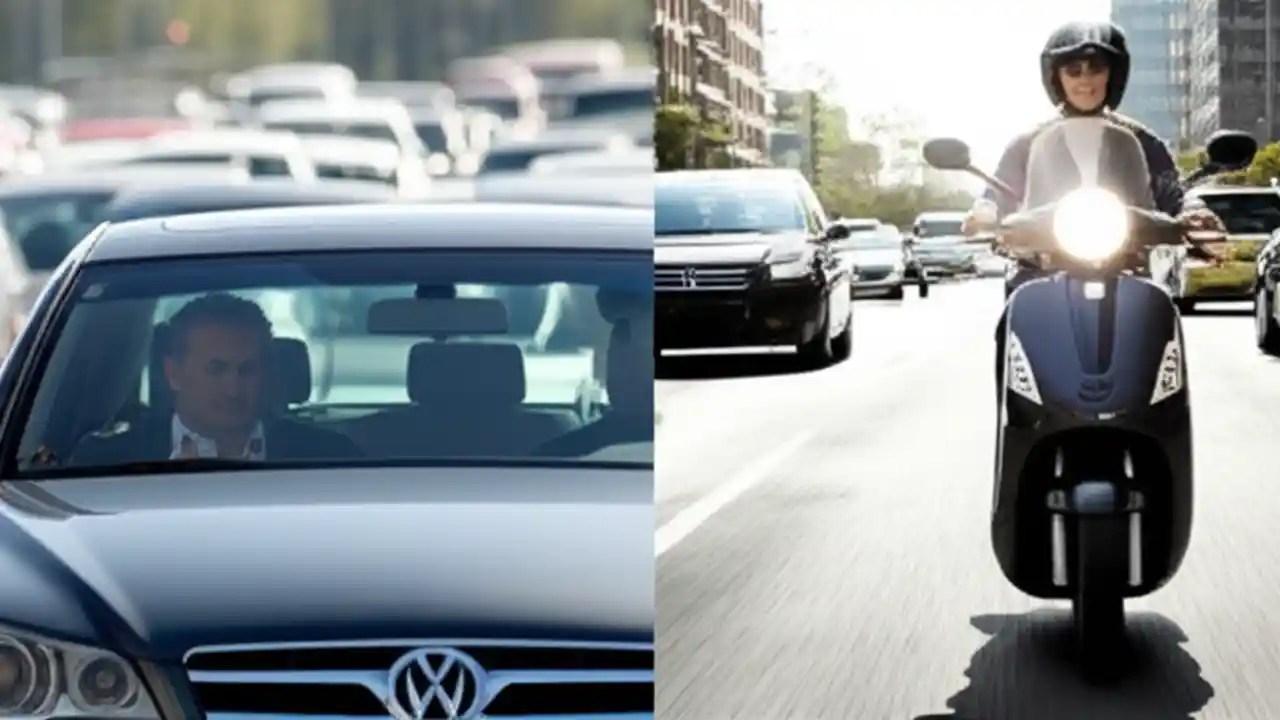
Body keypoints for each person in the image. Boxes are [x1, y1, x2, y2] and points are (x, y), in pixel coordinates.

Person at [969, 21, 1224, 392]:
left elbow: (1173, 190)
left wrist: (1195, 213)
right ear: (1056, 76)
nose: (1085, 80)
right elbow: (999, 193)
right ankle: (1019, 426)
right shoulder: (1029, 141)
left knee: (1161, 328)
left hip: (1128, 268)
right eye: (1073, 69)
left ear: (1113, 74)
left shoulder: (1142, 139)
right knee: (1011, 325)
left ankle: (1163, 433)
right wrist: (984, 215)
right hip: (1041, 269)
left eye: (1096, 68)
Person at [70, 293, 363, 464]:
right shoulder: (108, 461)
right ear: (173, 373)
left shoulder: (329, 457)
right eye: (216, 370)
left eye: (247, 370)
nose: (233, 388)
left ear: (267, 373)